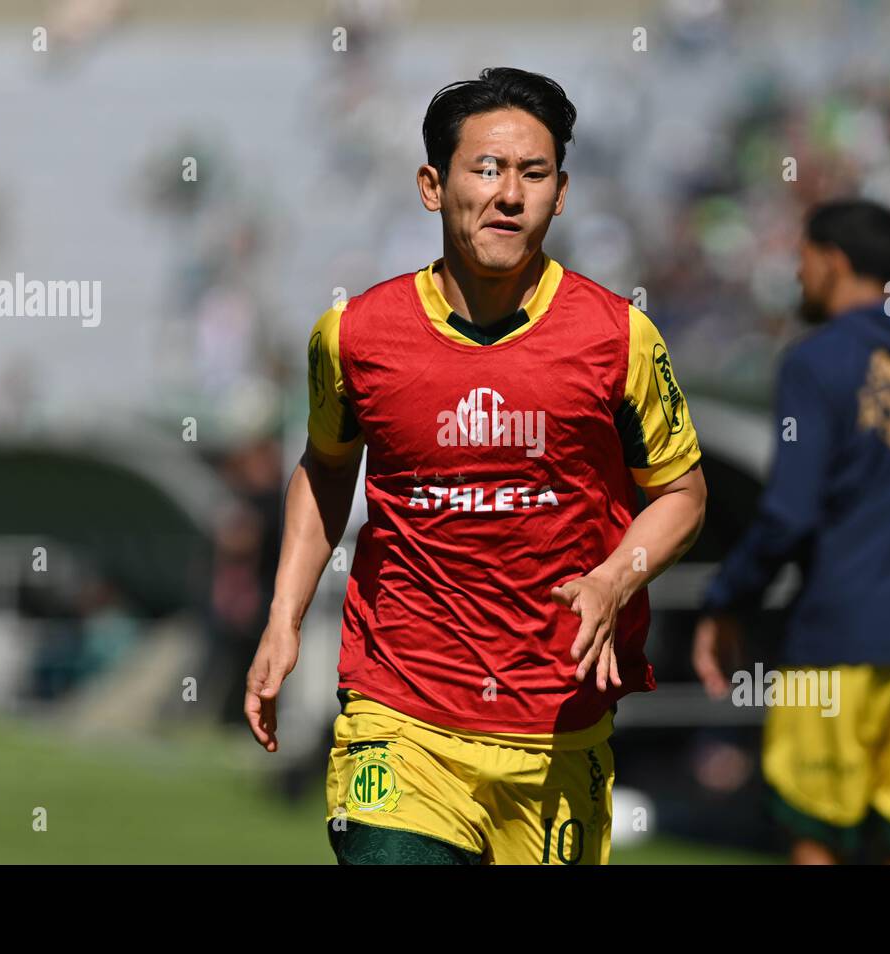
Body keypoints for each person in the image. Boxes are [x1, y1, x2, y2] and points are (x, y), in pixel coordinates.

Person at [244, 67, 706, 865]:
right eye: (486, 169)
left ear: (561, 193)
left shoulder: (620, 338)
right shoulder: (353, 336)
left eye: (534, 174)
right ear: (433, 185)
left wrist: (613, 578)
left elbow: (683, 494)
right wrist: (284, 617)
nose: (509, 194)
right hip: (399, 709)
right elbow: (325, 471)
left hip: (556, 720)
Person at [693, 199, 890, 863]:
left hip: (838, 643)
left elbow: (789, 512)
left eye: (802, 260)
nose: (797, 277)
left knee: (815, 834)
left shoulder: (815, 362)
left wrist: (728, 596)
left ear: (834, 261)